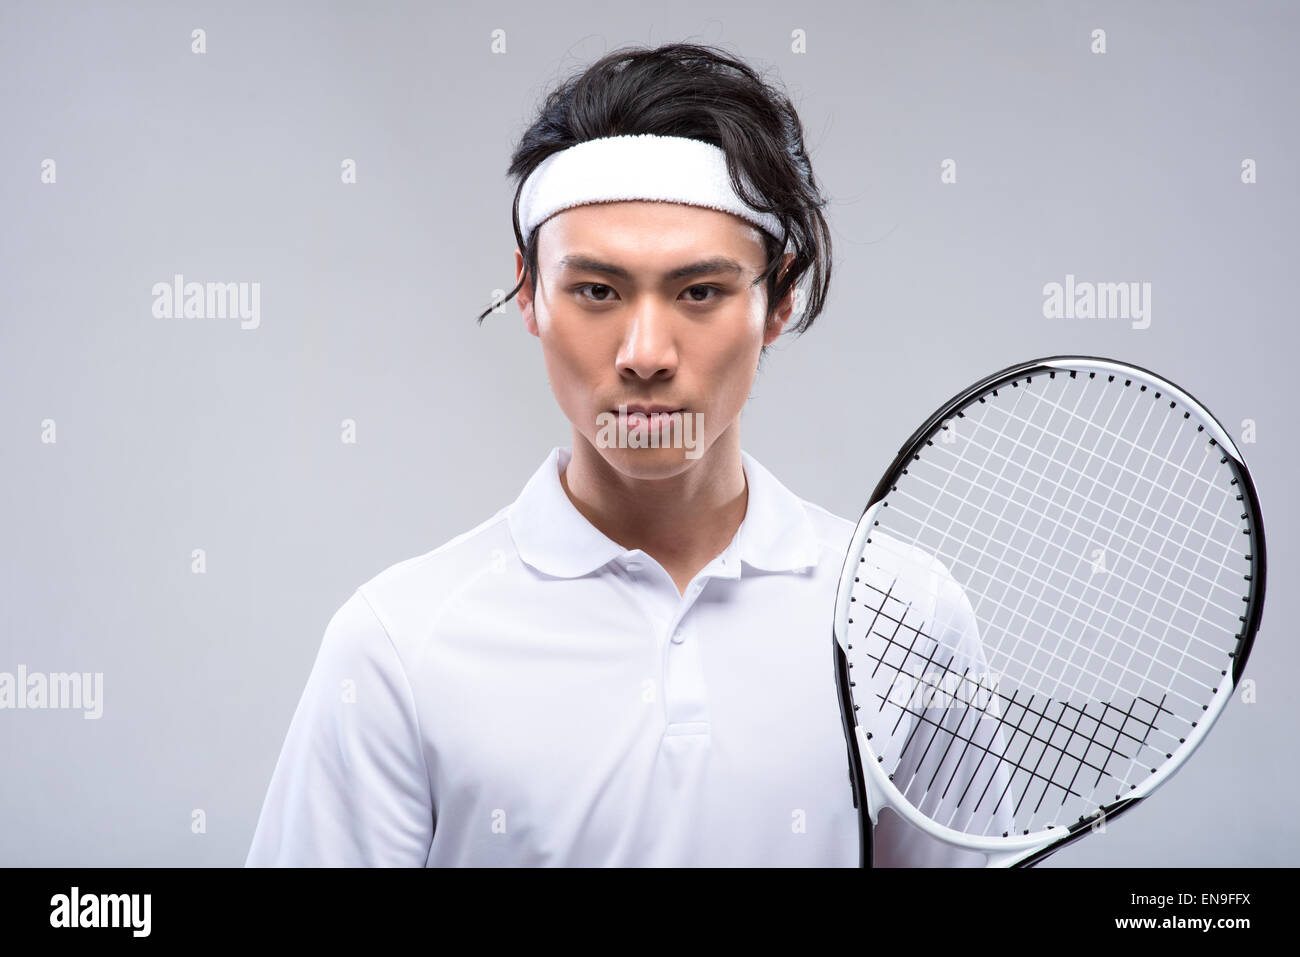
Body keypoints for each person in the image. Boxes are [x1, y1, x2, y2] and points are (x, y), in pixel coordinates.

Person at [245, 41, 995, 866]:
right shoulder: (395, 644)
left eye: (699, 291)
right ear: (527, 293)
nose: (644, 351)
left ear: (778, 299)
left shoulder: (905, 616)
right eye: (596, 291)